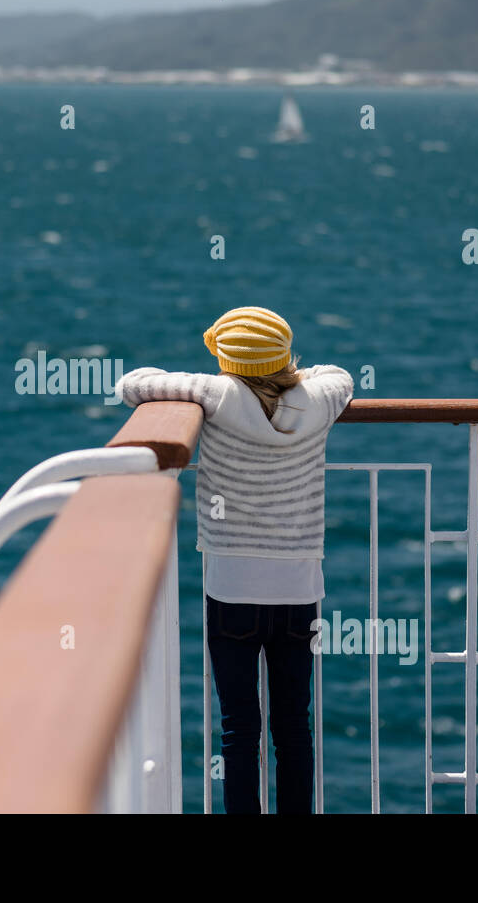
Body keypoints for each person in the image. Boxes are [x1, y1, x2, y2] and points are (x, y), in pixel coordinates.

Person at [116, 306, 353, 813]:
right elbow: (341, 375)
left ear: (229, 363)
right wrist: (298, 375)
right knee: (294, 726)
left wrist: (208, 376)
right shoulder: (320, 398)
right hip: (299, 590)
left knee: (239, 729)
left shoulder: (216, 394)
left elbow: (133, 385)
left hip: (232, 591)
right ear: (284, 356)